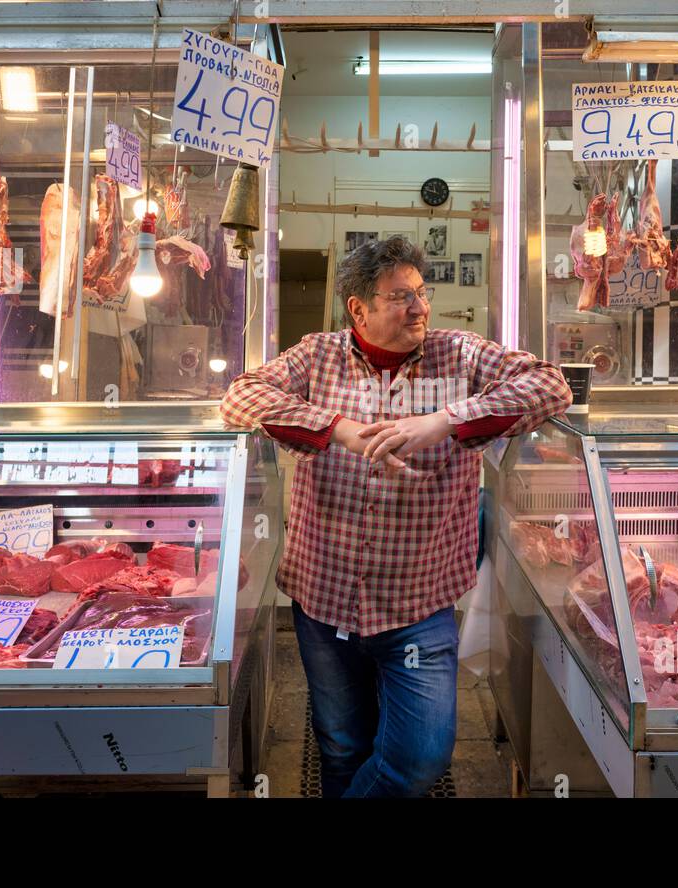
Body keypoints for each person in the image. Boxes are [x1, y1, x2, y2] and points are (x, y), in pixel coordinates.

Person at [221, 236, 571, 797]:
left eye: (422, 293)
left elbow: (552, 386)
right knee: (340, 746)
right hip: (325, 597)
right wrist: (342, 431)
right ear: (358, 309)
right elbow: (240, 398)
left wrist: (443, 420)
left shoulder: (459, 356)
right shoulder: (318, 356)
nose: (419, 308)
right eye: (400, 297)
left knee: (419, 759)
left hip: (419, 602)